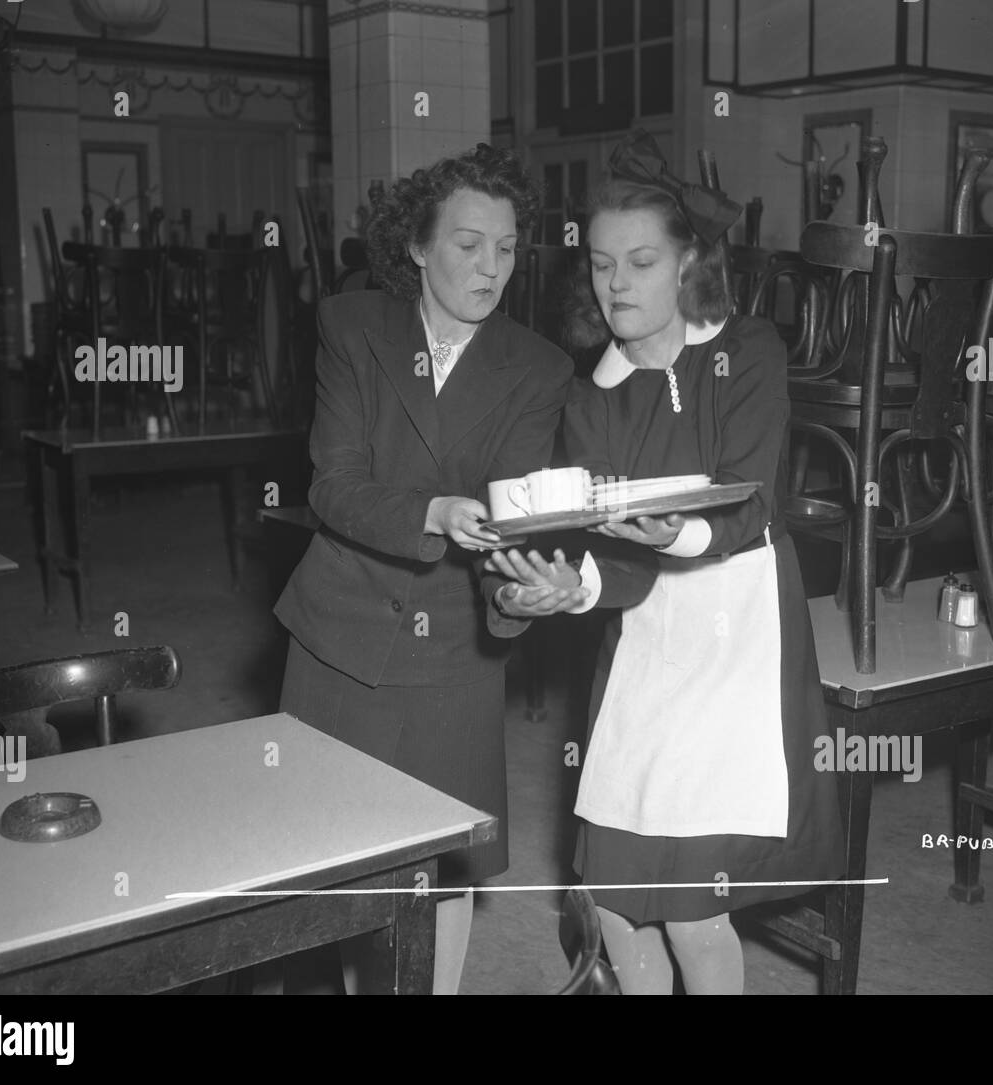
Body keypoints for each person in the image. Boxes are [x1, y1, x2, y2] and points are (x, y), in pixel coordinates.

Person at [488, 130, 845, 995]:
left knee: (690, 902)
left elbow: (750, 498)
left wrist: (670, 531)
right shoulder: (593, 395)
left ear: (689, 262)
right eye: (603, 265)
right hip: (647, 644)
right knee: (611, 898)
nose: (616, 285)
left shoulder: (749, 350)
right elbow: (619, 564)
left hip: (738, 633)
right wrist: (572, 585)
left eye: (641, 262)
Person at [273, 144, 581, 994]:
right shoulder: (350, 327)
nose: (492, 268)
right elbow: (332, 485)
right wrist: (432, 514)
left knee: (445, 867)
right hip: (337, 630)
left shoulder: (538, 368)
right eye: (468, 244)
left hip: (450, 649)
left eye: (509, 248)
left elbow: (513, 520)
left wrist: (519, 594)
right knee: (329, 862)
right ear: (415, 246)